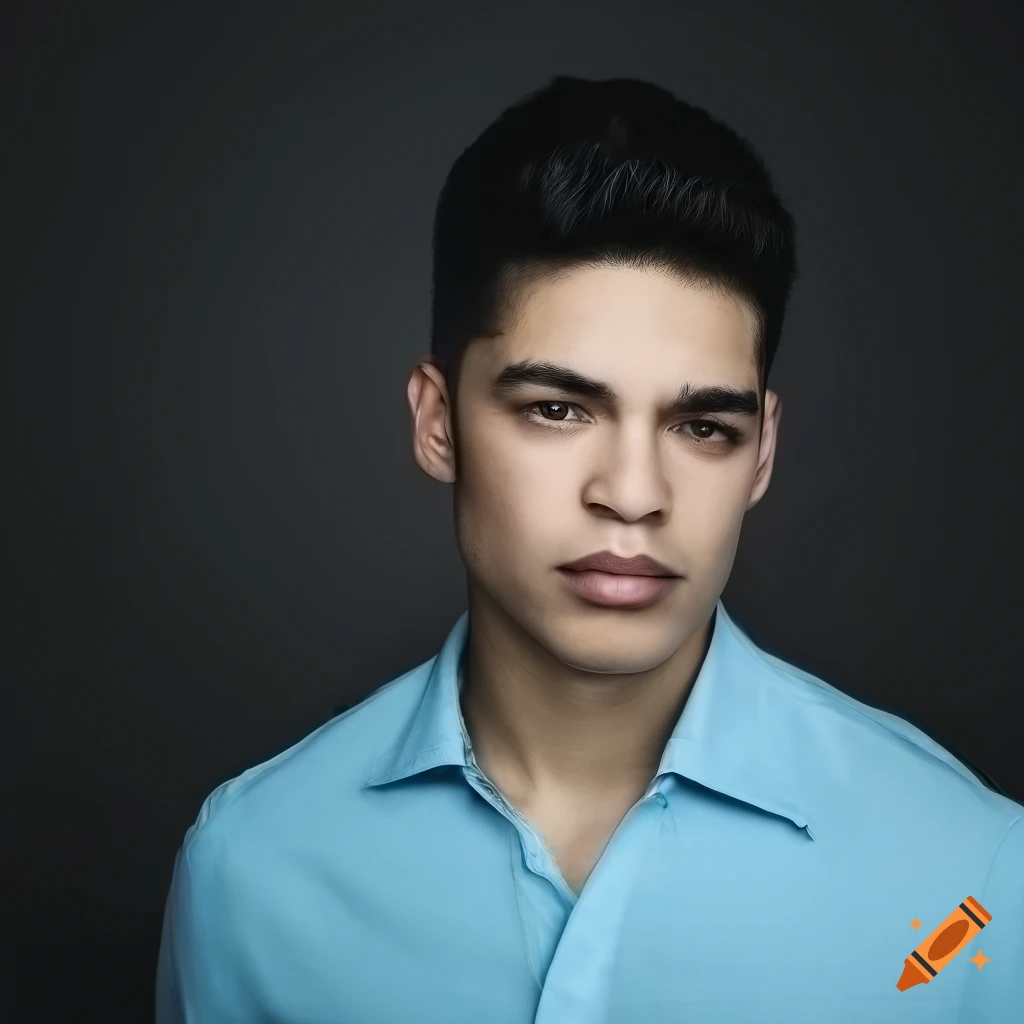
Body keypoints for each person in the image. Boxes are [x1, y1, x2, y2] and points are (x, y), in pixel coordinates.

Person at [155, 75, 1023, 1023]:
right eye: (558, 409)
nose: (634, 495)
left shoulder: (969, 875)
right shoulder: (252, 869)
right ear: (438, 422)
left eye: (703, 427)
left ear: (763, 452)